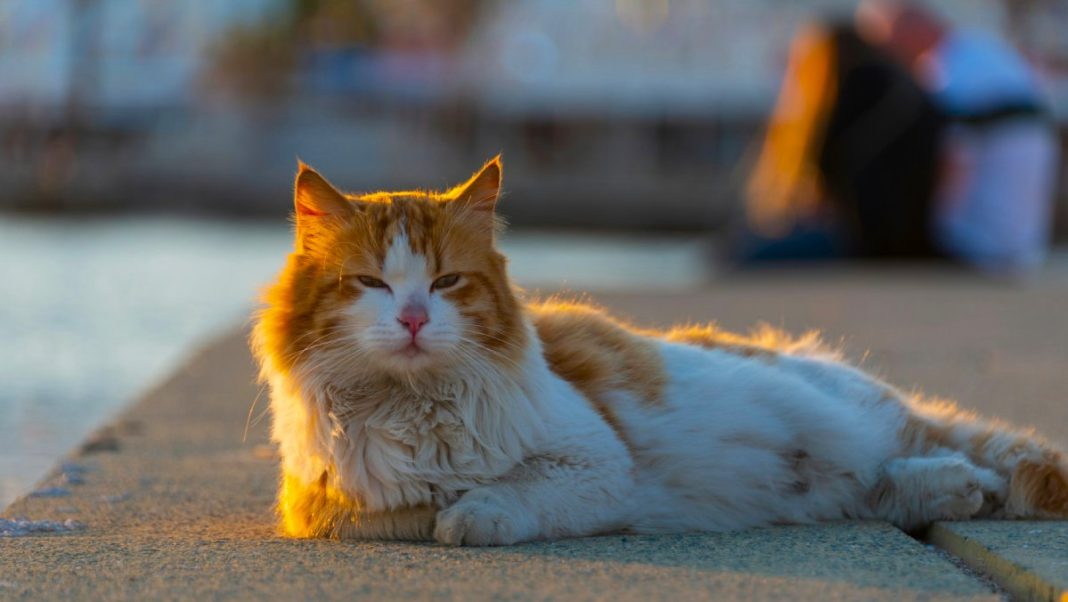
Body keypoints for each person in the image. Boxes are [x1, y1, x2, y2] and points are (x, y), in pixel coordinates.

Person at [739, 3, 1059, 273]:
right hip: (1016, 243)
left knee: (761, 255)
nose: (883, 52)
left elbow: (953, 162)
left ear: (906, 25)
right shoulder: (984, 56)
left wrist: (907, 230)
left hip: (974, 245)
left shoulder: (951, 74)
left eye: (880, 38)